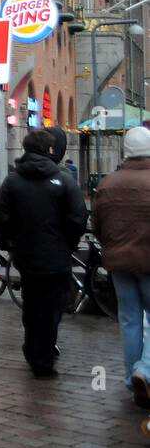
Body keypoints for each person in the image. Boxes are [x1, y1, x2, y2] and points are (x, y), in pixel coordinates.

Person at [0, 128, 88, 378]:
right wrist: (69, 242)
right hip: (57, 257)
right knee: (53, 306)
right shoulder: (63, 179)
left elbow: (1, 215)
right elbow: (78, 217)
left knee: (32, 304)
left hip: (26, 256)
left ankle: (33, 348)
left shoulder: (13, 180)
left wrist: (8, 242)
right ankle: (43, 358)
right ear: (50, 150)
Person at [91, 126, 150, 407]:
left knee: (129, 320)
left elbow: (97, 225)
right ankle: (145, 371)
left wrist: (111, 247)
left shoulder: (107, 183)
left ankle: (131, 379)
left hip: (118, 262)